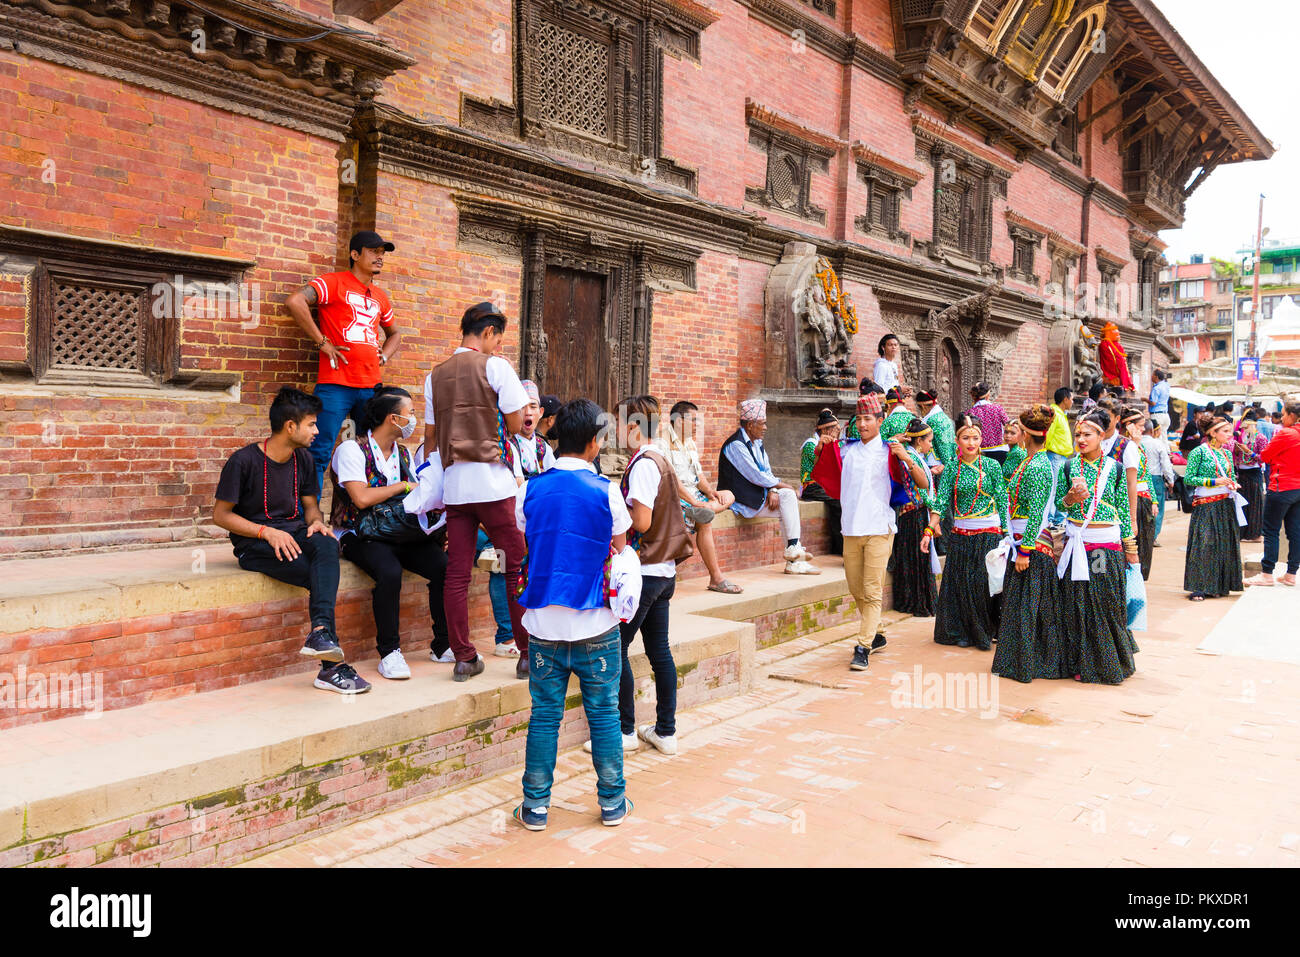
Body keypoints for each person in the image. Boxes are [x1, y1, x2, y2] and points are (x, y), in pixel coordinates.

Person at [514, 398, 635, 831]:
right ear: (594, 443)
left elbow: (527, 540)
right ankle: (612, 803)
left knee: (544, 715)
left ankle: (535, 807)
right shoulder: (606, 490)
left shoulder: (529, 488)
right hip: (597, 623)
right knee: (603, 713)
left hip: (543, 623)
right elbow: (619, 547)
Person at [213, 387, 368, 694]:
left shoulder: (305, 460)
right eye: (312, 424)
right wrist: (266, 532)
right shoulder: (243, 461)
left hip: (295, 533)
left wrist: (315, 524)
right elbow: (221, 515)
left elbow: (311, 507)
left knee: (326, 544)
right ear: (290, 426)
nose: (317, 431)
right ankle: (331, 668)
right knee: (316, 573)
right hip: (254, 544)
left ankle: (321, 634)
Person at [426, 301, 531, 681]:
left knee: (457, 573)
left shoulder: (434, 375)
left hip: (455, 486)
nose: (497, 347)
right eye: (497, 340)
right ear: (487, 333)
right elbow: (518, 424)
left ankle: (464, 657)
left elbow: (430, 438)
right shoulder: (496, 367)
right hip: (493, 482)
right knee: (516, 565)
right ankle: (525, 651)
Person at [330, 388, 449, 680]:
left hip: (398, 532)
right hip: (360, 532)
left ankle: (444, 644)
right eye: (409, 413)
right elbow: (360, 498)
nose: (413, 419)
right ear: (392, 418)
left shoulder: (405, 454)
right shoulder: (352, 450)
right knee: (389, 572)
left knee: (445, 568)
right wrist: (402, 487)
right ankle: (389, 651)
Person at [285, 231, 402, 490]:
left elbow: (395, 334)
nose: (379, 257)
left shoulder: (380, 296)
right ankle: (310, 521)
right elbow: (295, 301)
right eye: (373, 251)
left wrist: (385, 354)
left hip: (371, 386)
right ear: (355, 254)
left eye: (382, 253)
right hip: (336, 383)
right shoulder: (334, 282)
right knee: (318, 453)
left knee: (364, 454)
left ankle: (355, 520)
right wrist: (321, 342)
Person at [616, 395, 694, 755]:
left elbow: (642, 522)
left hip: (646, 572)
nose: (615, 429)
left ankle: (625, 730)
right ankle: (665, 730)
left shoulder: (645, 464)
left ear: (634, 426)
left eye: (619, 422)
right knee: (658, 650)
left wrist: (613, 515)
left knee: (616, 648)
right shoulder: (655, 458)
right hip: (661, 571)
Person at [838, 394, 926, 670]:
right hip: (850, 527)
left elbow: (923, 483)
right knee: (856, 588)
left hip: (879, 527)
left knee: (872, 589)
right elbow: (824, 471)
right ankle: (878, 634)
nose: (862, 424)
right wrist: (820, 449)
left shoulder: (892, 450)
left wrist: (907, 459)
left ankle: (862, 646)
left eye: (868, 419)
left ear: (880, 421)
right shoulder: (846, 450)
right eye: (859, 419)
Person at [1055, 410, 1139, 684]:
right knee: (1078, 602)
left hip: (1105, 547)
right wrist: (1069, 498)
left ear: (1101, 436)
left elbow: (1123, 509)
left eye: (1087, 434)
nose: (1080, 439)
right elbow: (1058, 505)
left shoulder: (1113, 468)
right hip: (1078, 542)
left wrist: (1131, 547)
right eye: (1077, 434)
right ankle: (1082, 661)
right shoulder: (1069, 467)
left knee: (1104, 603)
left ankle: (1109, 662)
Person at [992, 405, 1067, 683]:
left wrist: (1025, 550)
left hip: (1030, 543)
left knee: (1028, 606)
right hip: (1022, 538)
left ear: (1024, 434)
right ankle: (1022, 659)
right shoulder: (1031, 461)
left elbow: (1037, 512)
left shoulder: (1036, 466)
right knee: (1022, 604)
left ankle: (1031, 662)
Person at [926, 413, 1009, 651]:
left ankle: (985, 630)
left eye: (975, 437)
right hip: (961, 534)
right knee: (962, 585)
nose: (971, 443)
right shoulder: (952, 468)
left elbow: (1002, 498)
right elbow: (941, 502)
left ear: (981, 440)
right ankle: (962, 630)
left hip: (990, 533)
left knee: (983, 584)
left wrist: (1006, 532)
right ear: (957, 441)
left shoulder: (992, 466)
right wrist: (930, 528)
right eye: (966, 438)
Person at [718, 399, 819, 575]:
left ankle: (793, 553)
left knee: (787, 499)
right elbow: (756, 475)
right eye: (762, 424)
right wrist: (785, 485)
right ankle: (794, 554)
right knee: (788, 496)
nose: (765, 428)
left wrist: (773, 489)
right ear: (750, 425)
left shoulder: (757, 443)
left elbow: (767, 471)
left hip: (757, 497)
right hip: (742, 501)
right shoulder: (735, 445)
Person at [657, 400, 743, 593]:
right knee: (705, 523)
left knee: (728, 495)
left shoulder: (690, 443)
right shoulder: (662, 441)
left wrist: (710, 492)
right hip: (675, 497)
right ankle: (716, 578)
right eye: (694, 420)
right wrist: (695, 501)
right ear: (679, 421)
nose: (698, 425)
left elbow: (699, 477)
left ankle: (698, 511)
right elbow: (671, 481)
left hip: (695, 498)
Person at [1183, 415, 1245, 601]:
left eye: (1229, 430)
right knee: (1205, 544)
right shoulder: (1199, 452)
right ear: (1212, 433)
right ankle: (1199, 587)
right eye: (1225, 431)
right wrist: (1214, 481)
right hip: (1206, 505)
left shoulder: (1226, 453)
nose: (1230, 434)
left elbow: (1231, 476)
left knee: (1223, 544)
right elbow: (1188, 478)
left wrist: (1233, 484)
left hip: (1225, 503)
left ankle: (1217, 585)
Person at [886, 415, 938, 619]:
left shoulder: (916, 457)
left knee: (916, 558)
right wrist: (935, 512)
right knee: (915, 559)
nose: (931, 445)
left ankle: (913, 601)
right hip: (913, 513)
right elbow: (923, 488)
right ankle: (915, 602)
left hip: (916, 512)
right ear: (919, 441)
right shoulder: (910, 457)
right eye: (929, 441)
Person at [1248, 399, 1300, 587]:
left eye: (1284, 414)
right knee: (1295, 531)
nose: (1282, 418)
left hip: (1281, 487)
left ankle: (1267, 573)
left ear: (1292, 416)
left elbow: (1266, 456)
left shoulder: (1286, 433)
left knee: (1271, 530)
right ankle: (1291, 573)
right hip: (1298, 489)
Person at [799, 409, 844, 557]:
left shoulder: (833, 443)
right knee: (838, 501)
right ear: (824, 430)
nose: (837, 430)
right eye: (834, 428)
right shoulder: (811, 445)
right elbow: (823, 466)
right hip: (812, 487)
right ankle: (842, 549)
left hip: (822, 486)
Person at [1120, 408, 1156, 581]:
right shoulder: (1122, 447)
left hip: (1145, 498)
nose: (1143, 429)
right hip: (1130, 499)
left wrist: (1154, 500)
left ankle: (1139, 580)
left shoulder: (1138, 447)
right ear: (1129, 426)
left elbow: (1147, 475)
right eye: (1140, 426)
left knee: (1145, 542)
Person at [1233, 410, 1266, 543]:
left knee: (1255, 504)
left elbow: (1263, 458)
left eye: (1246, 427)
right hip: (1242, 473)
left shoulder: (1261, 438)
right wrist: (1237, 450)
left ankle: (1255, 534)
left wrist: (1249, 452)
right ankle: (1242, 533)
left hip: (1254, 472)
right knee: (1243, 503)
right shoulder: (1242, 438)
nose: (1244, 430)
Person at [1140, 419, 1175, 546]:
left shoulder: (1134, 443)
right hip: (1155, 479)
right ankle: (1152, 536)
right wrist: (1171, 481)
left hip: (1138, 479)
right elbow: (1166, 464)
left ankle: (1141, 535)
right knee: (1157, 509)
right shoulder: (1158, 444)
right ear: (1152, 430)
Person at [963, 382, 1011, 465]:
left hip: (980, 452)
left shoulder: (970, 412)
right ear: (988, 395)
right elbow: (1009, 424)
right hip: (999, 450)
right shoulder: (997, 408)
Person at [1046, 386, 1074, 526]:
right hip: (1055, 455)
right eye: (1072, 399)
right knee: (1054, 487)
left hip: (1061, 457)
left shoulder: (1061, 413)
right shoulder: (1055, 413)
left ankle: (1058, 519)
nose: (1073, 402)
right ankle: (1050, 519)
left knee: (1061, 487)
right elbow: (1049, 433)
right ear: (1065, 399)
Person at [1098, 322, 1134, 392]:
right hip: (1112, 375)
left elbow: (1121, 359)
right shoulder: (1104, 344)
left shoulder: (1118, 345)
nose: (1117, 333)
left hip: (1122, 373)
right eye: (1114, 330)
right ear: (1108, 332)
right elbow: (1110, 360)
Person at [1148, 369, 1170, 436]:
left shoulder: (1156, 388)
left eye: (1152, 375)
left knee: (1156, 437)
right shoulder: (1166, 386)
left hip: (1157, 416)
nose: (1151, 376)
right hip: (1165, 415)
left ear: (1156, 377)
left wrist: (1145, 399)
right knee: (1164, 437)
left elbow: (1153, 403)